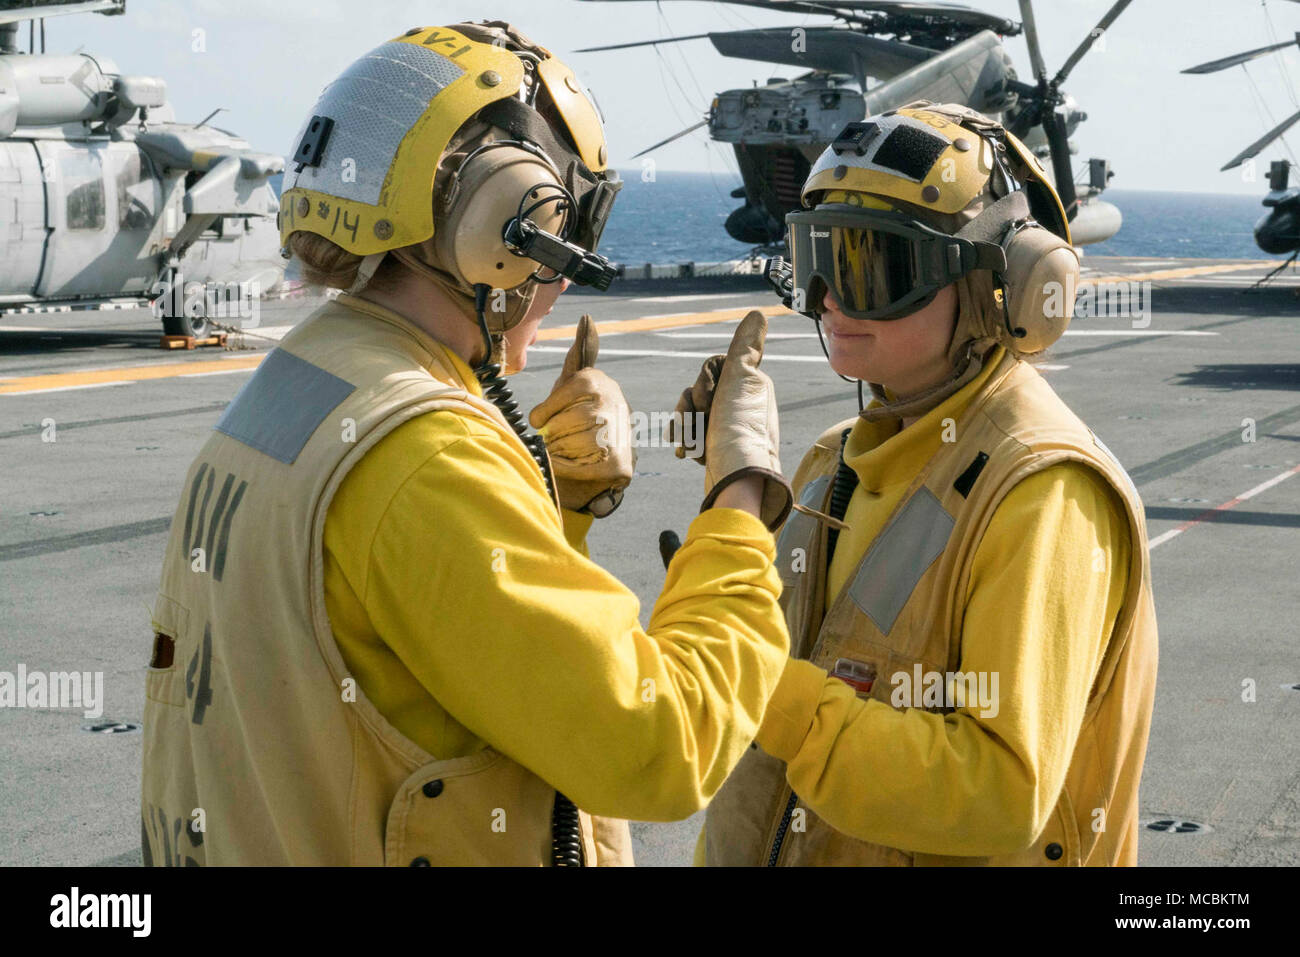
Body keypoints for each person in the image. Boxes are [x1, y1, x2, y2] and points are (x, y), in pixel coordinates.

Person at [140, 21, 793, 866]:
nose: (565, 275)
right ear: (507, 227)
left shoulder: (303, 380)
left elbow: (416, 656)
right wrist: (739, 497)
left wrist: (546, 506)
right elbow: (659, 747)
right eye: (569, 229)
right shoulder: (430, 454)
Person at [691, 102, 1159, 866]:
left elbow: (1002, 792)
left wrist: (766, 689)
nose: (831, 300)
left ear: (1000, 283)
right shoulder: (830, 463)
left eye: (871, 268)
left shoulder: (1040, 492)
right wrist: (736, 495)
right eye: (817, 259)